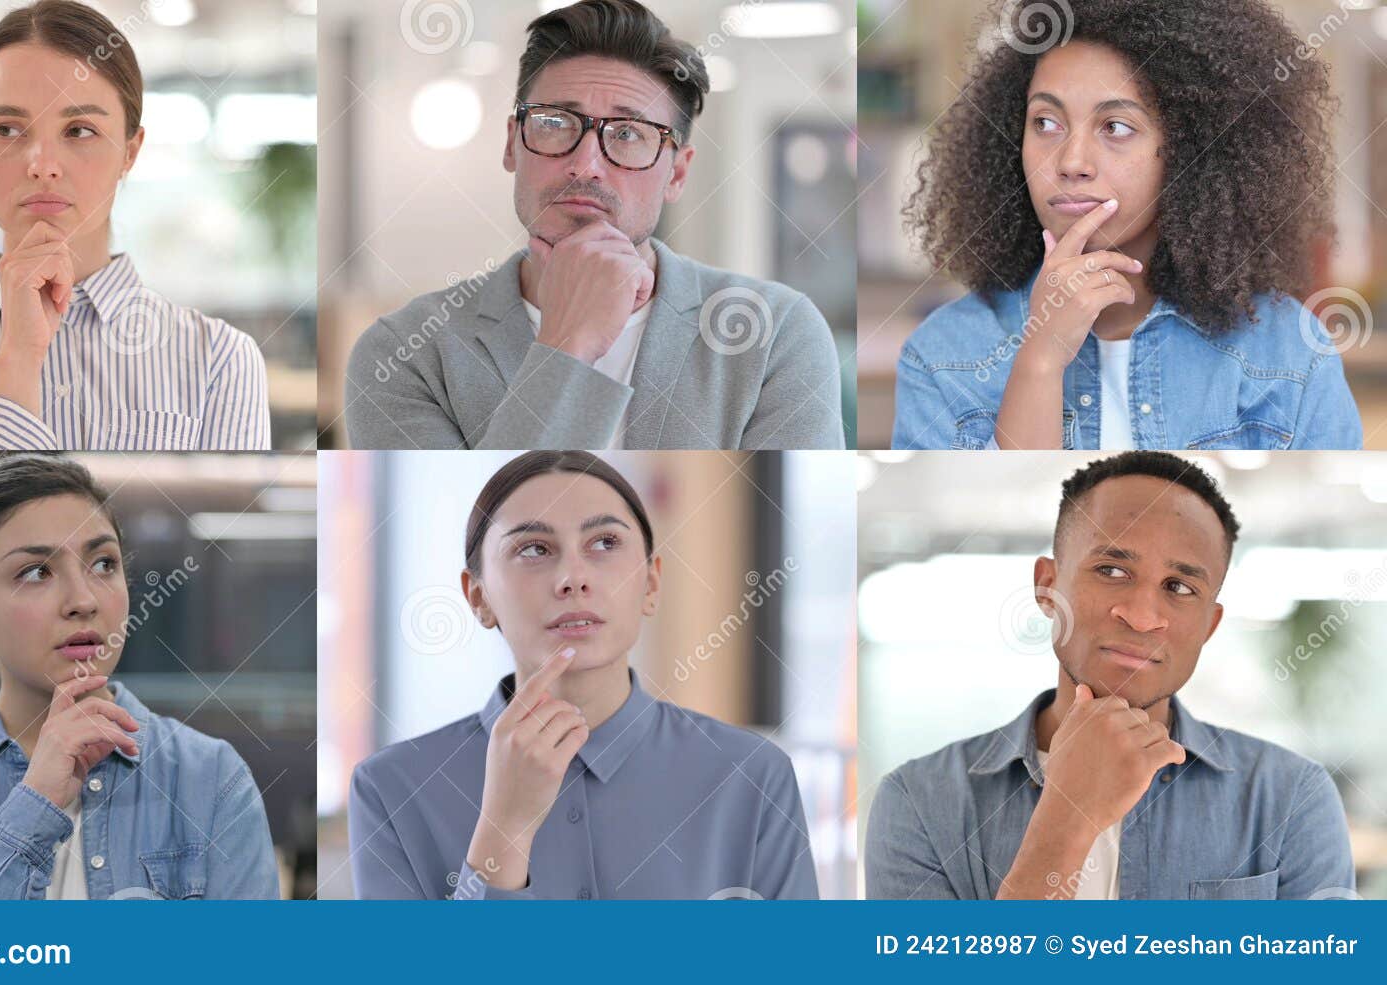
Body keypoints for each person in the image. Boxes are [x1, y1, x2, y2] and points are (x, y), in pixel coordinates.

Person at [345, 0, 843, 450]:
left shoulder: (775, 334)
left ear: (678, 173)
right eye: (556, 122)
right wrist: (566, 344)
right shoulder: (403, 353)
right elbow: (485, 520)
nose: (586, 165)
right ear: (512, 144)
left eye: (628, 133)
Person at [865, 451, 1354, 899]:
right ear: (1047, 586)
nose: (1142, 616)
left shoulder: (1290, 799)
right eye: (1112, 571)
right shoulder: (919, 802)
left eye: (1179, 587)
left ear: (1209, 625)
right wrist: (1067, 817)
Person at [891, 0, 1361, 450]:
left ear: (1191, 151)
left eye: (1115, 126)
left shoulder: (1288, 354)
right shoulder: (942, 355)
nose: (1071, 162)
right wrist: (1040, 360)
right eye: (1046, 123)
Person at [348, 450, 817, 898]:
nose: (573, 577)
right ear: (478, 597)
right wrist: (503, 831)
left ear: (651, 583)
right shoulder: (391, 790)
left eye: (605, 543)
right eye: (534, 549)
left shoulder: (752, 775)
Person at [0, 453, 279, 899]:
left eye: (103, 564)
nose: (83, 599)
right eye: (35, 572)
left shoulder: (209, 779)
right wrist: (34, 804)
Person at [0, 0, 270, 450]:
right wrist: (17, 361)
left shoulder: (220, 361)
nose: (42, 165)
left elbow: (216, 522)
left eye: (79, 131)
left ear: (130, 151)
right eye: (8, 130)